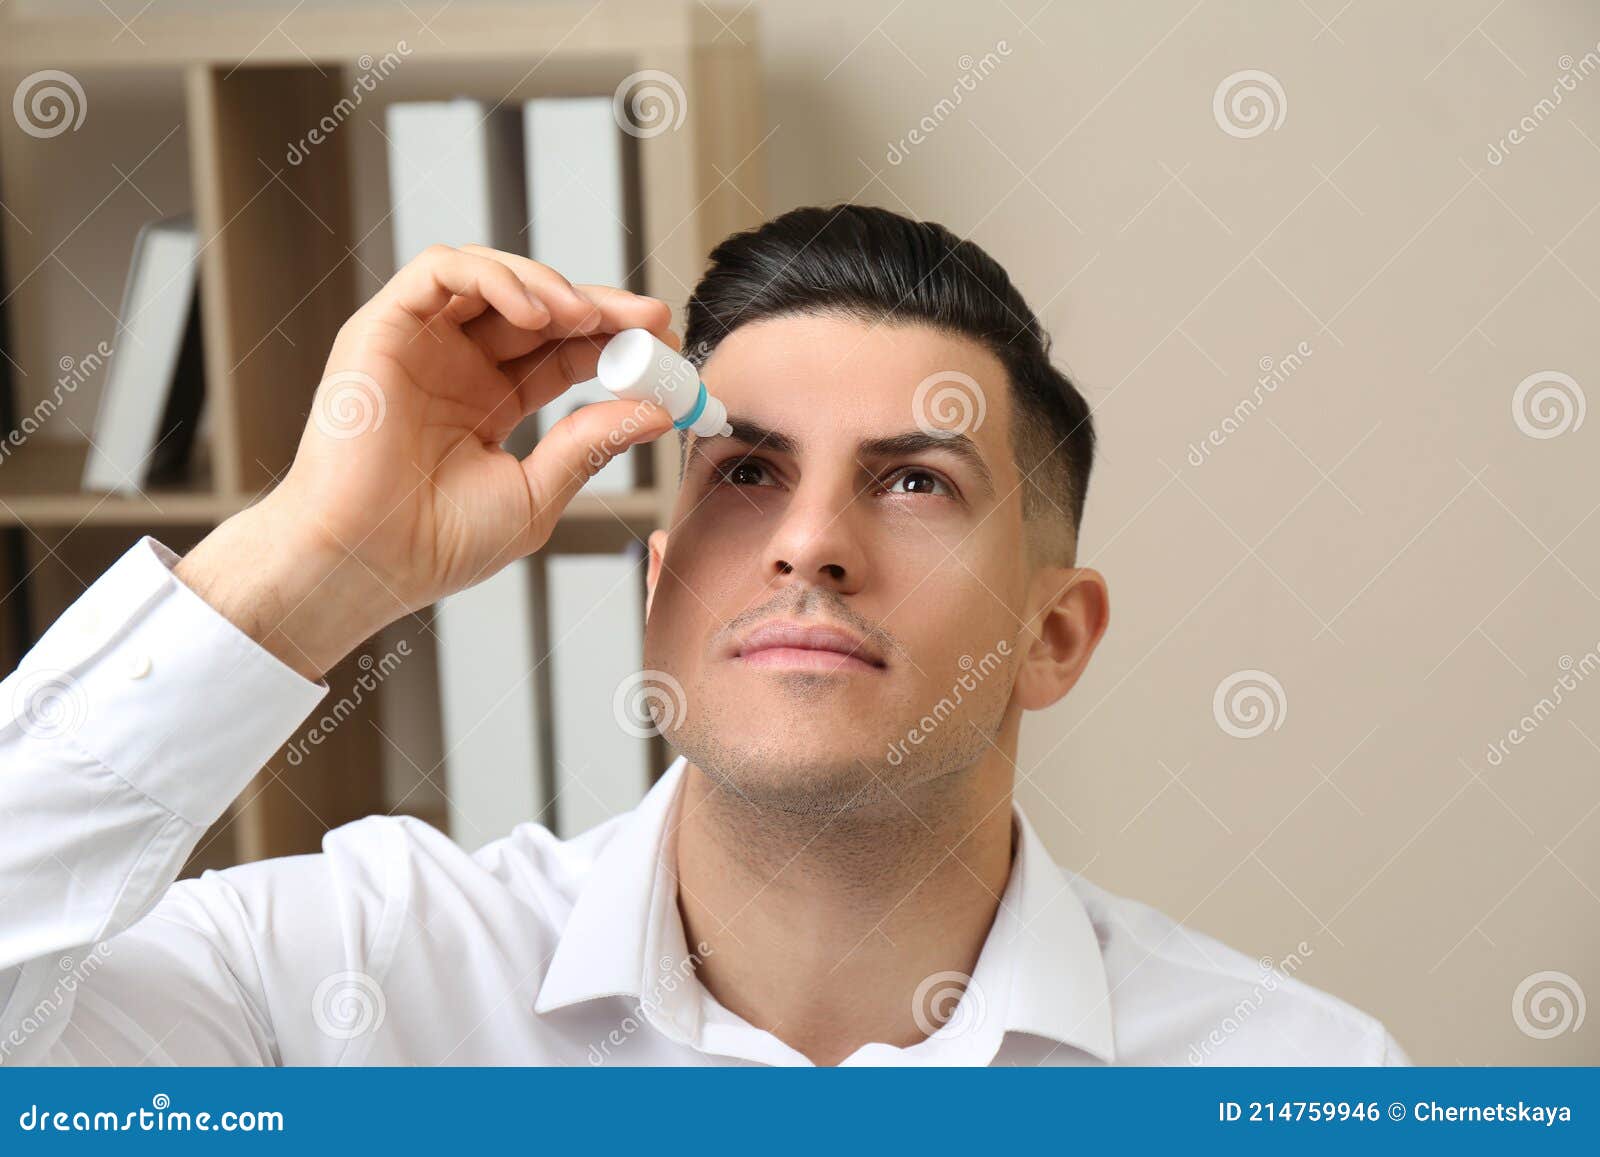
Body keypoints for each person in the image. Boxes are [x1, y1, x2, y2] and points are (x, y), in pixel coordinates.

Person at [0, 204, 1407, 1066]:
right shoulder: (325, 985)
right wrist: (313, 563)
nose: (811, 542)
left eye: (916, 480)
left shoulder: (1302, 1082)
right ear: (662, 588)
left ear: (1054, 635)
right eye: (747, 470)